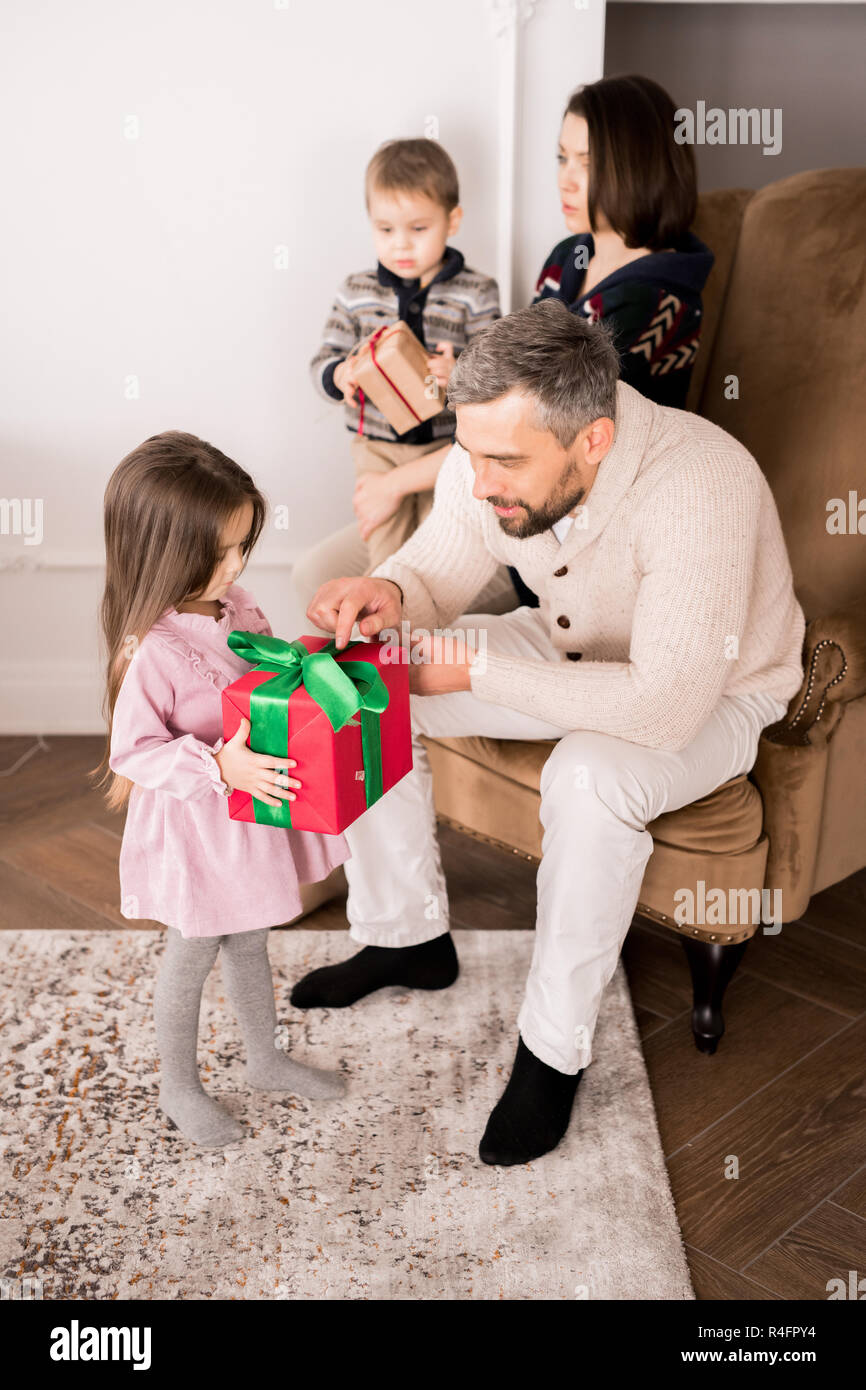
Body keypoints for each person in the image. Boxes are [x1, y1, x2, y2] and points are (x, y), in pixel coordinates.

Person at [290, 301, 805, 1167]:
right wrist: (391, 593)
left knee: (588, 776)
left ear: (592, 440)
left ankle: (551, 1053)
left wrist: (476, 671)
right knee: (369, 687)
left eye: (504, 462)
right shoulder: (489, 454)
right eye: (469, 452)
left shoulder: (702, 482)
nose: (479, 481)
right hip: (571, 645)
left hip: (712, 695)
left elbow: (665, 709)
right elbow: (438, 570)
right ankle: (404, 937)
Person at [93, 431, 349, 1148]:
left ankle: (264, 1058)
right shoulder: (153, 649)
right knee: (194, 949)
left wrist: (304, 665)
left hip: (250, 815)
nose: (237, 565)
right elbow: (132, 751)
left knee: (251, 937)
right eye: (221, 552)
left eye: (243, 546)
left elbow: (257, 682)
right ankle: (179, 1086)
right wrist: (217, 768)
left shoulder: (234, 604)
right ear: (163, 551)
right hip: (197, 826)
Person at [510, 73, 714, 608]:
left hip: (592, 537)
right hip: (520, 498)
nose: (565, 179)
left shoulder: (659, 298)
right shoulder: (567, 258)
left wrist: (404, 480)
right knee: (325, 570)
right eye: (562, 158)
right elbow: (515, 381)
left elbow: (552, 420)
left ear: (638, 168)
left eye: (587, 162)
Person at [295, 136, 516, 625]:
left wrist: (459, 372)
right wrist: (341, 373)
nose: (401, 244)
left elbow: (498, 378)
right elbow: (322, 362)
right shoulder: (356, 292)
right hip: (377, 448)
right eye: (385, 229)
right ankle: (377, 646)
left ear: (452, 221)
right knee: (387, 553)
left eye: (419, 228)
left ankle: (417, 641)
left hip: (447, 448)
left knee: (443, 550)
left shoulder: (476, 291)